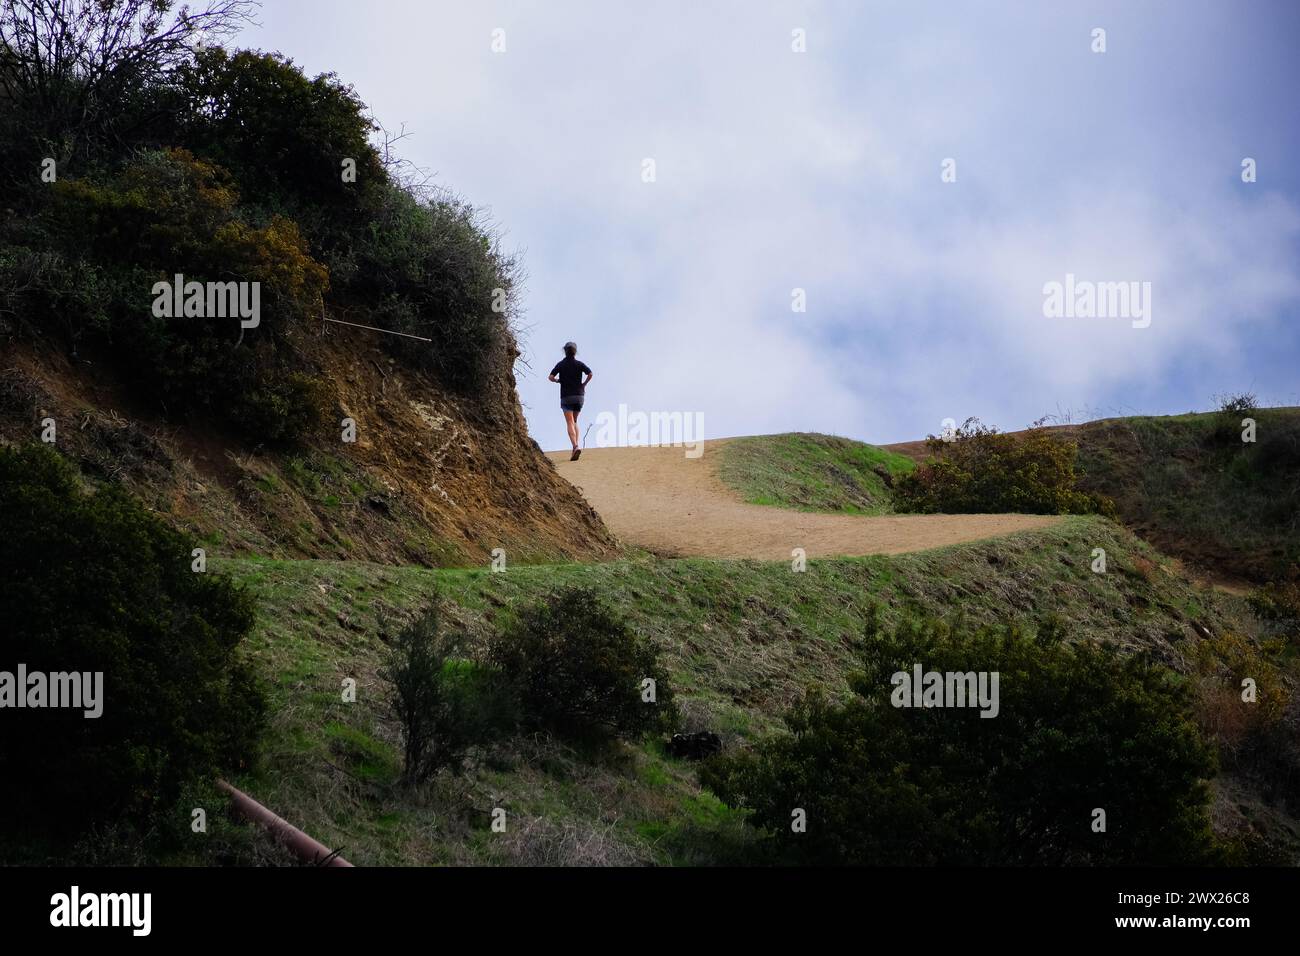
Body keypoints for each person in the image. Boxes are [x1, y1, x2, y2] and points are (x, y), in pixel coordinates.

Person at [549, 341, 592, 460]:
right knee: (575, 421)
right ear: (575, 351)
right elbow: (590, 373)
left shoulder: (561, 364)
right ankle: (576, 446)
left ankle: (575, 446)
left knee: (569, 422)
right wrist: (584, 384)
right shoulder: (579, 364)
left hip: (566, 396)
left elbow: (550, 377)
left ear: (565, 351)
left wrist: (558, 381)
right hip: (579, 396)